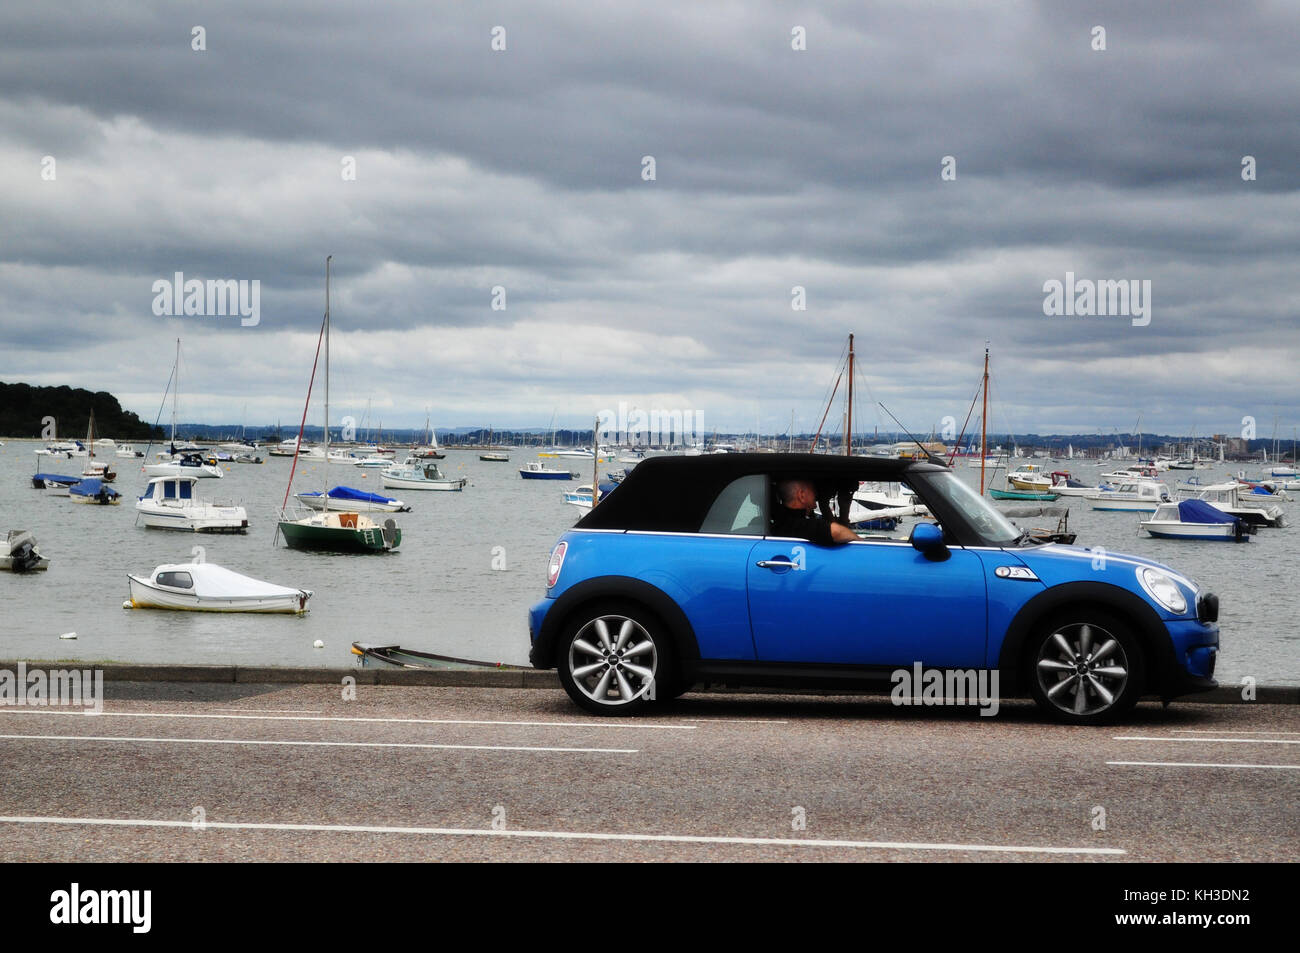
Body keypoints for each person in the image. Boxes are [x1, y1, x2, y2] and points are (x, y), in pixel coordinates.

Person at [770, 478, 858, 544]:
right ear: (802, 495)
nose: (815, 503)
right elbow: (836, 532)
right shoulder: (796, 525)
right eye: (813, 492)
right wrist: (860, 541)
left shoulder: (778, 521)